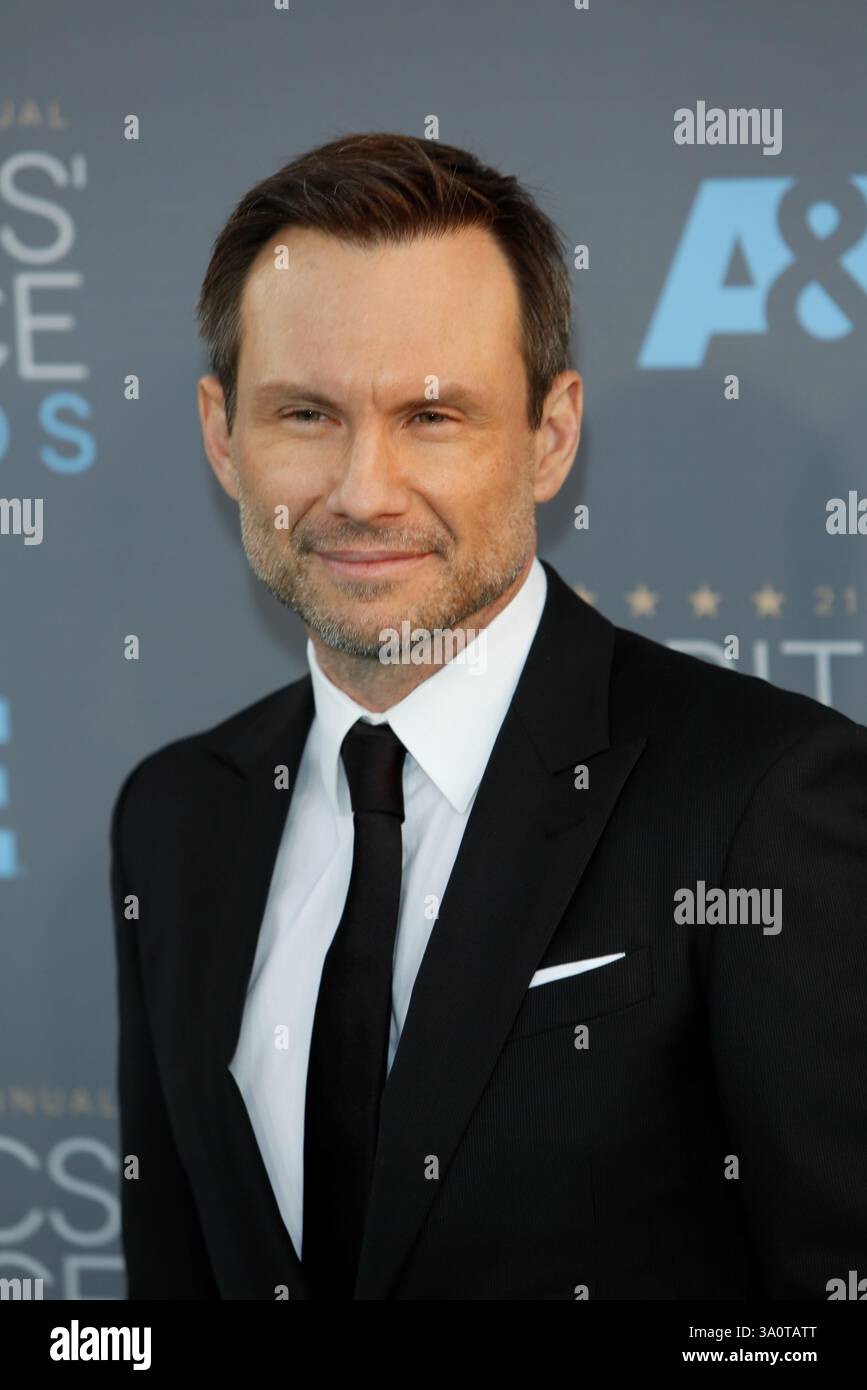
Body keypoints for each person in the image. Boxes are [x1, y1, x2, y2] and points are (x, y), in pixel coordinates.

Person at [110, 132, 867, 1300]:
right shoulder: (172, 817)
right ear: (222, 435)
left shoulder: (762, 800)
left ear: (550, 435)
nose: (363, 490)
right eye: (305, 414)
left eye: (432, 416)